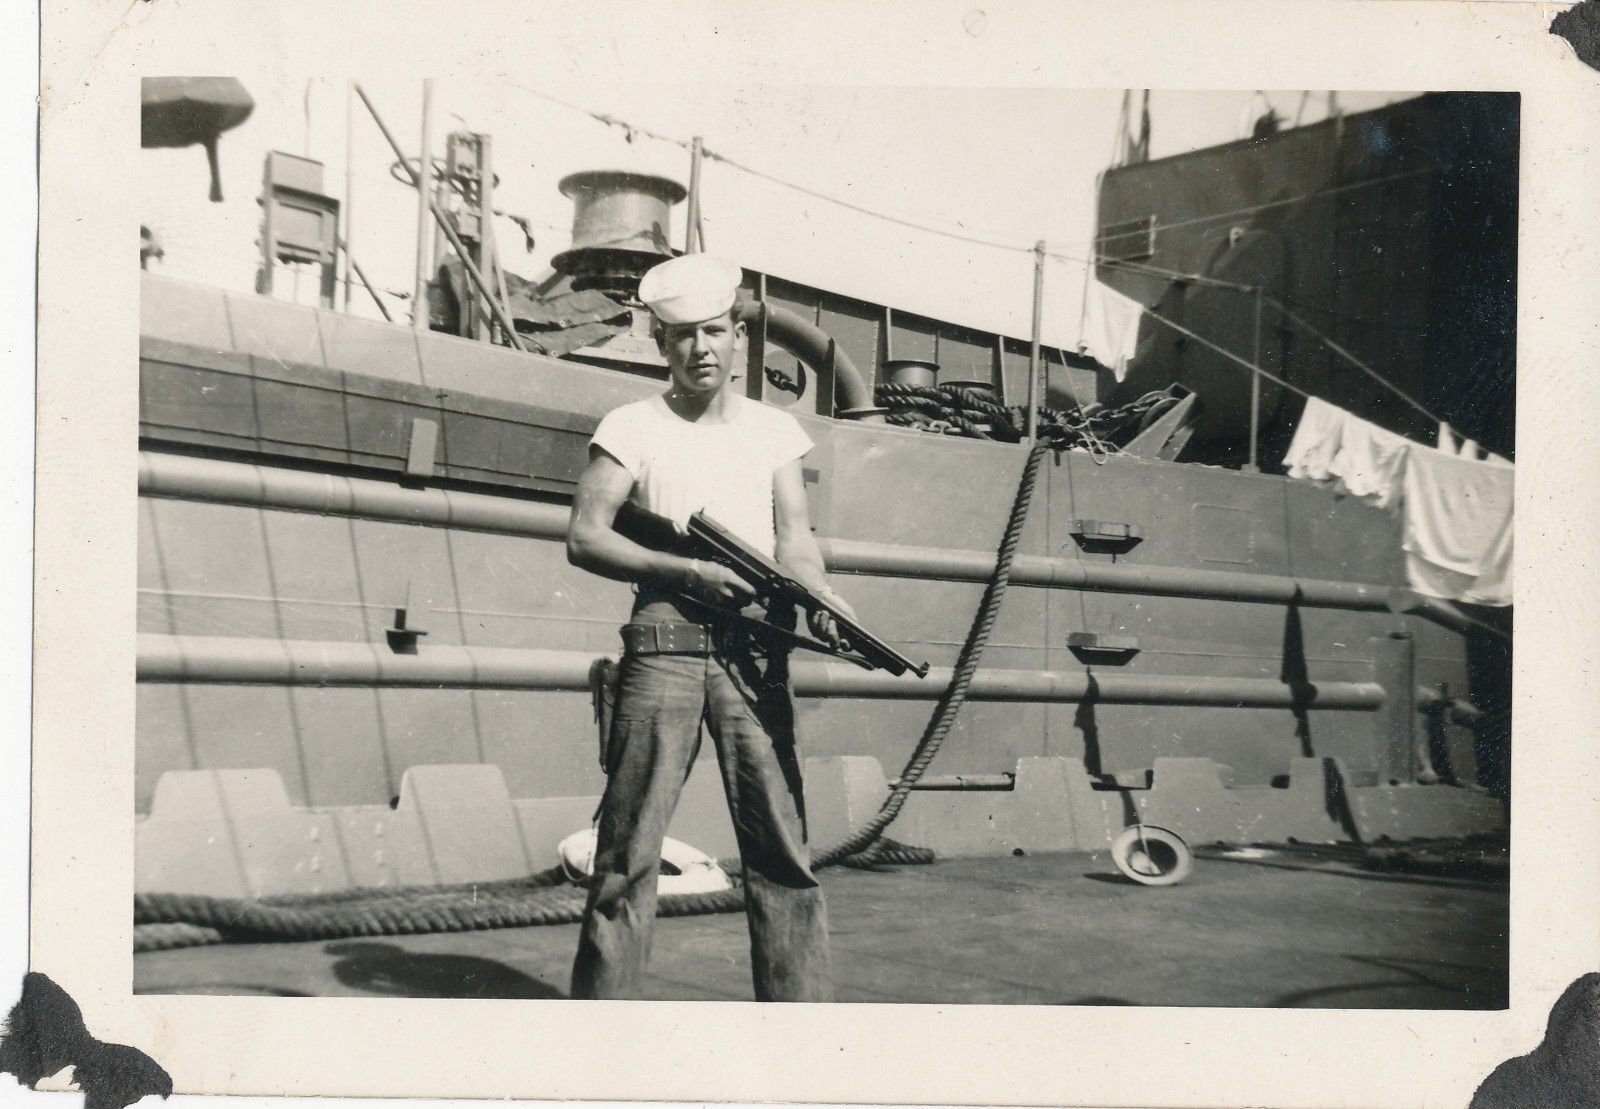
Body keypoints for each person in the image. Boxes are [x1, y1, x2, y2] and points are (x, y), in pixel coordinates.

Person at [565, 252, 854, 1002]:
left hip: (753, 654)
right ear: (662, 343)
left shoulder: (773, 430)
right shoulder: (631, 425)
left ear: (739, 338)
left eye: (716, 331)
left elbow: (794, 537)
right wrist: (684, 571)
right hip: (663, 647)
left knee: (784, 856)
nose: (702, 348)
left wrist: (821, 592)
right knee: (626, 857)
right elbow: (586, 535)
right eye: (684, 335)